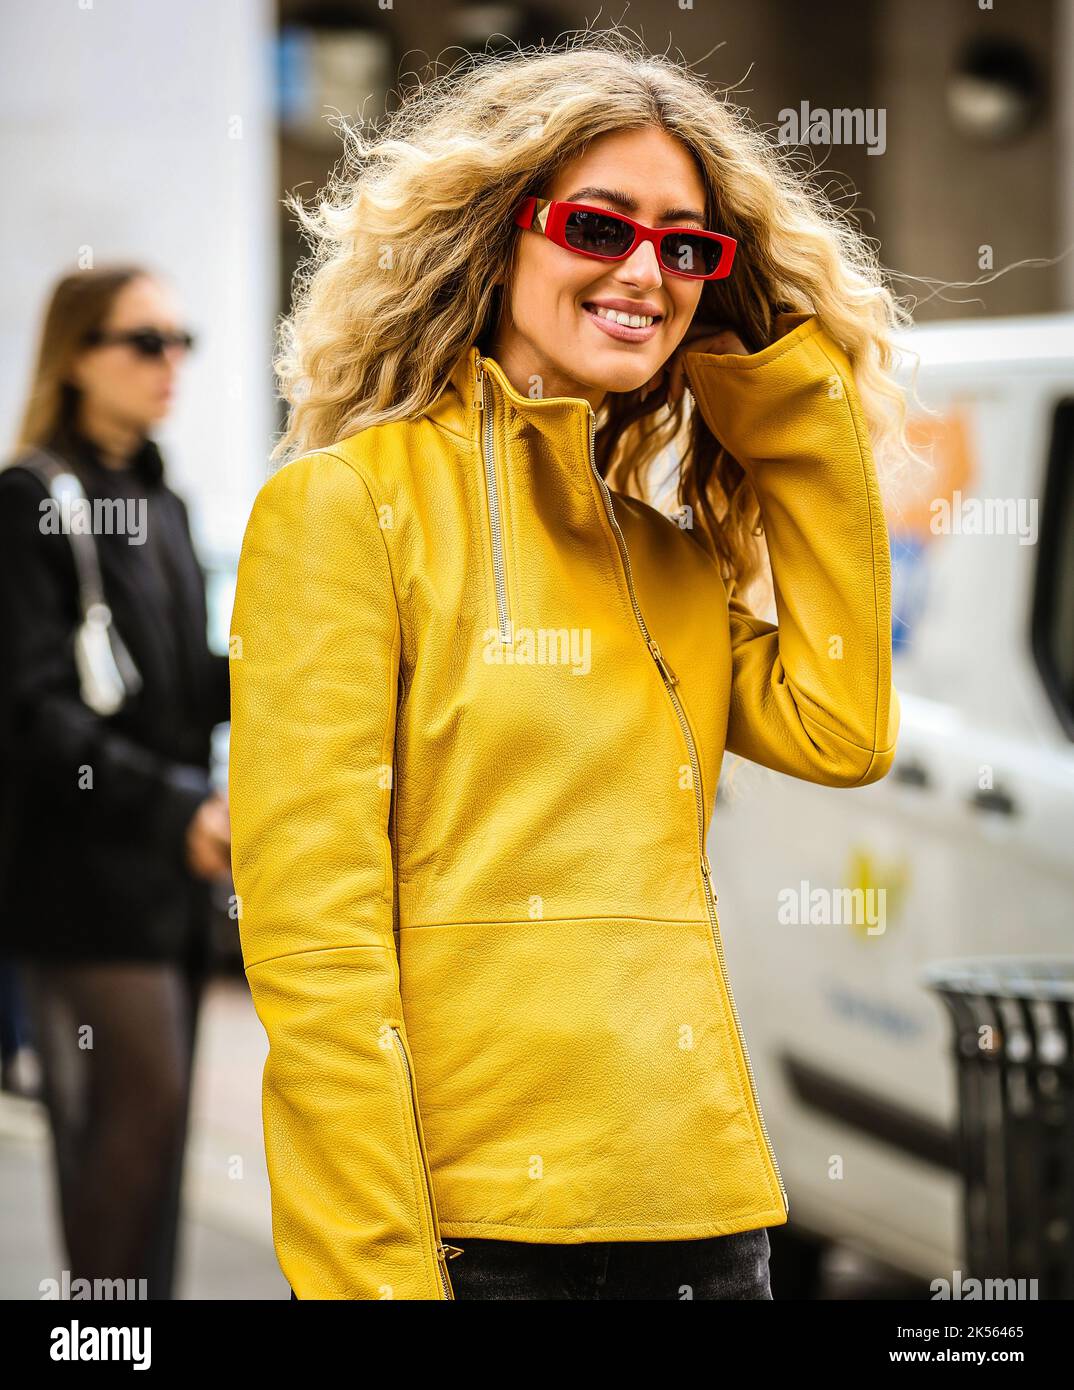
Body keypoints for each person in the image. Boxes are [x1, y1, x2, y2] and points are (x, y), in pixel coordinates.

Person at [228, 33, 907, 1301]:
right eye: (601, 226)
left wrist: (783, 402)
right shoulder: (347, 511)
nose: (647, 270)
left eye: (690, 248)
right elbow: (317, 956)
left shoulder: (667, 557)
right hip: (485, 1243)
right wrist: (374, 1283)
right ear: (497, 235)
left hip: (712, 1223)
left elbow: (844, 726)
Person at [0, 265, 232, 1299]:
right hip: (81, 889)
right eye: (144, 341)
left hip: (171, 889)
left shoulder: (162, 499)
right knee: (121, 1148)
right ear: (78, 356)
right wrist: (175, 804)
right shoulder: (28, 502)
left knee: (158, 1148)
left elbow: (184, 689)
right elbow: (33, 716)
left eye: (182, 340)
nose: (169, 361)